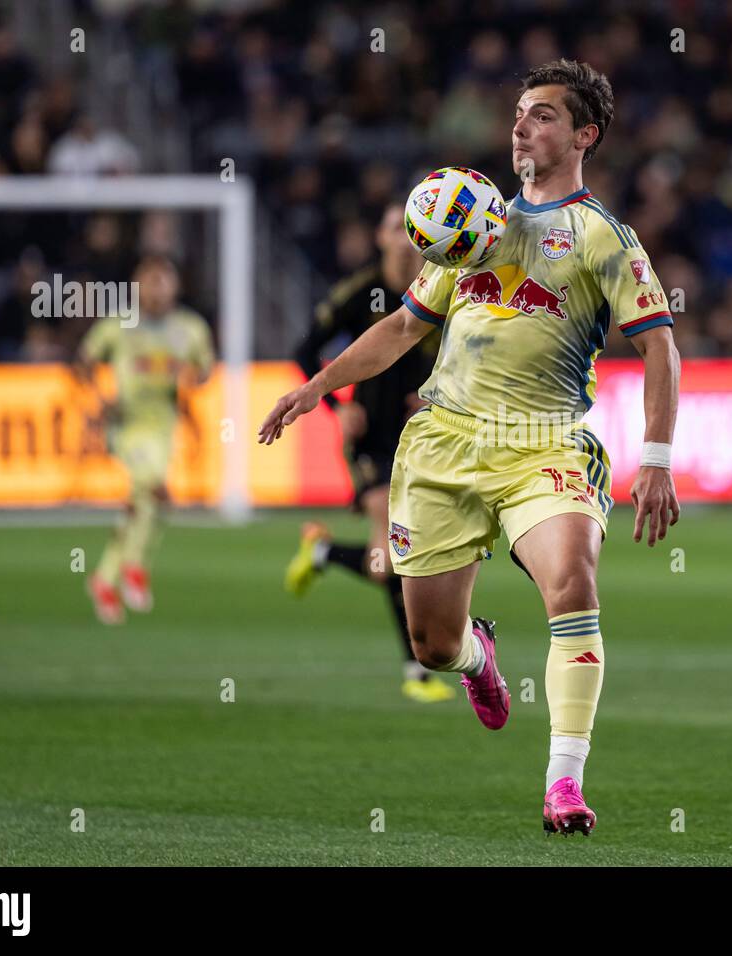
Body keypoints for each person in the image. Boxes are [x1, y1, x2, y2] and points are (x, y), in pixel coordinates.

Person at [258, 60, 680, 836]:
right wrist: (316, 388)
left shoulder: (602, 239)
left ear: (585, 135)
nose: (523, 125)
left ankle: (564, 784)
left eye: (545, 114)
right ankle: (480, 661)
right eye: (520, 112)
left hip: (543, 442)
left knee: (573, 586)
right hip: (443, 446)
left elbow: (660, 348)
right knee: (433, 641)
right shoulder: (473, 225)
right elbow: (402, 329)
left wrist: (655, 459)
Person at [283, 203, 453, 704]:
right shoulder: (362, 291)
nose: (403, 240)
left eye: (410, 231)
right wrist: (338, 407)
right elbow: (304, 349)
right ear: (380, 239)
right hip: (371, 440)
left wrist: (435, 394)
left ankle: (323, 551)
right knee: (390, 560)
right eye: (393, 230)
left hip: (424, 439)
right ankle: (417, 672)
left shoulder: (443, 288)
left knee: (395, 559)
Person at [75, 255, 213, 624]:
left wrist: (193, 379)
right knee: (154, 488)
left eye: (162, 281)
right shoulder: (121, 324)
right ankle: (134, 567)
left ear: (175, 287)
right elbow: (84, 361)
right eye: (148, 281)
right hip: (127, 426)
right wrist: (100, 400)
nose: (155, 289)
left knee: (145, 503)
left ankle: (106, 577)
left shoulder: (190, 328)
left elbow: (204, 372)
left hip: (163, 427)